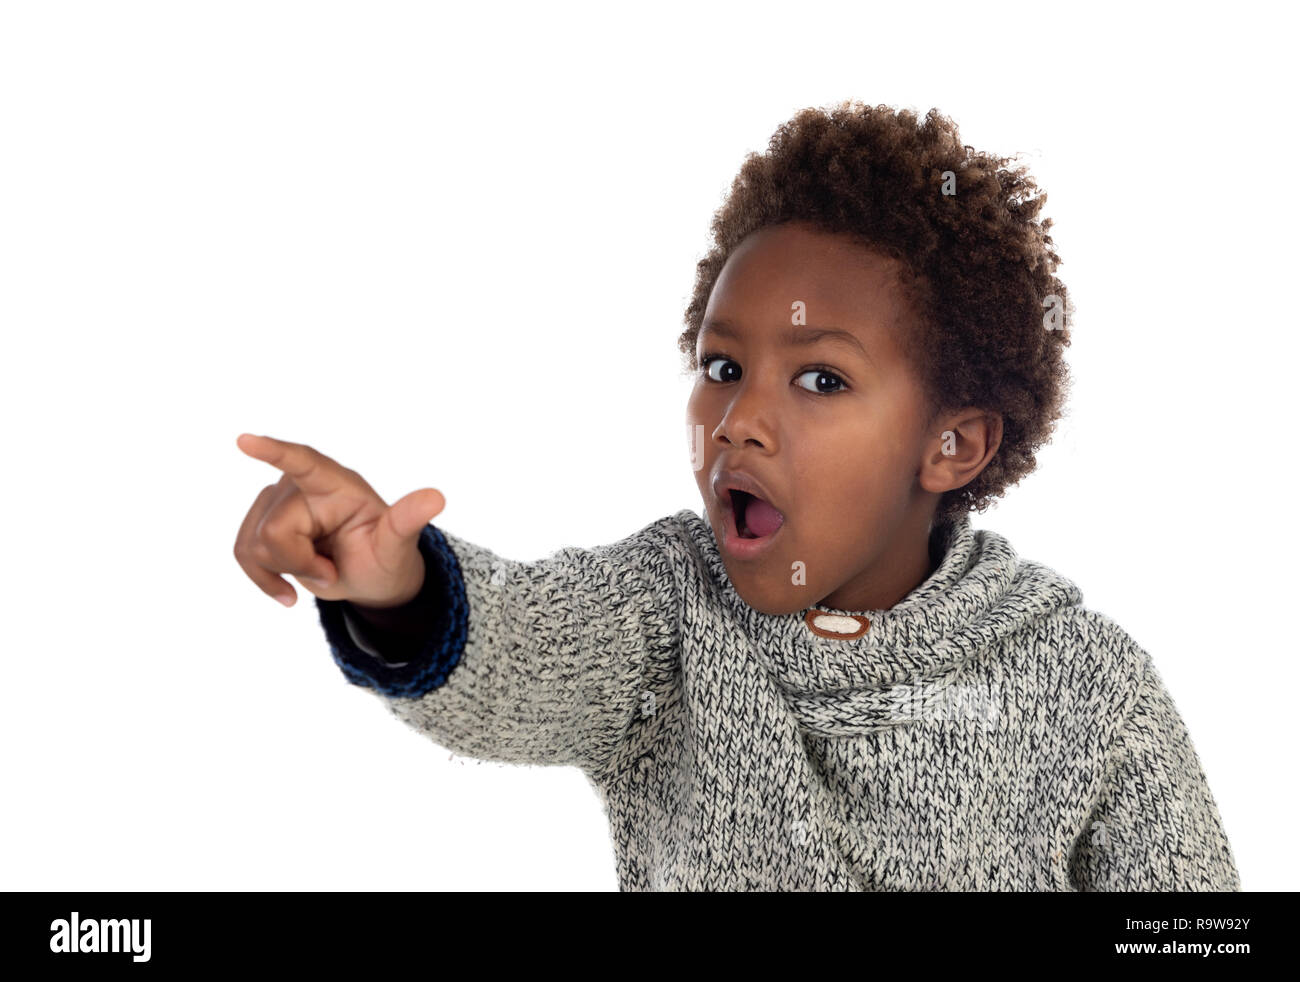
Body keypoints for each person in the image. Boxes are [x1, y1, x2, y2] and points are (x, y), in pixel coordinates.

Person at [233, 101, 1240, 891]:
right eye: (722, 368)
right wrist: (398, 591)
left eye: (820, 380)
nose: (739, 421)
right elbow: (524, 648)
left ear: (953, 444)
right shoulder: (668, 614)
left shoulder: (1088, 682)